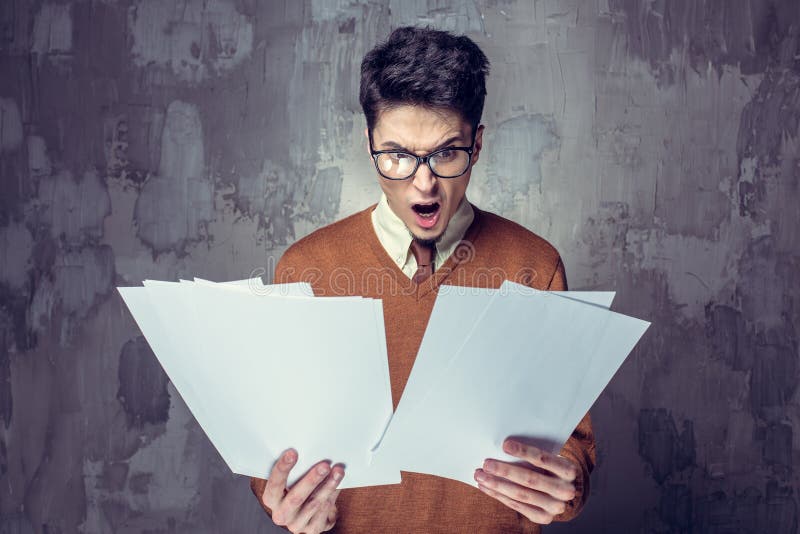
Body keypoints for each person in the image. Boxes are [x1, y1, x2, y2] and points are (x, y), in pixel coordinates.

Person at [249, 26, 595, 534]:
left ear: (477, 145)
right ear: (369, 144)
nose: (424, 182)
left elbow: (574, 449)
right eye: (397, 155)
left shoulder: (534, 265)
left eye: (446, 153)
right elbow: (272, 456)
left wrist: (566, 485)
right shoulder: (306, 269)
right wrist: (281, 499)